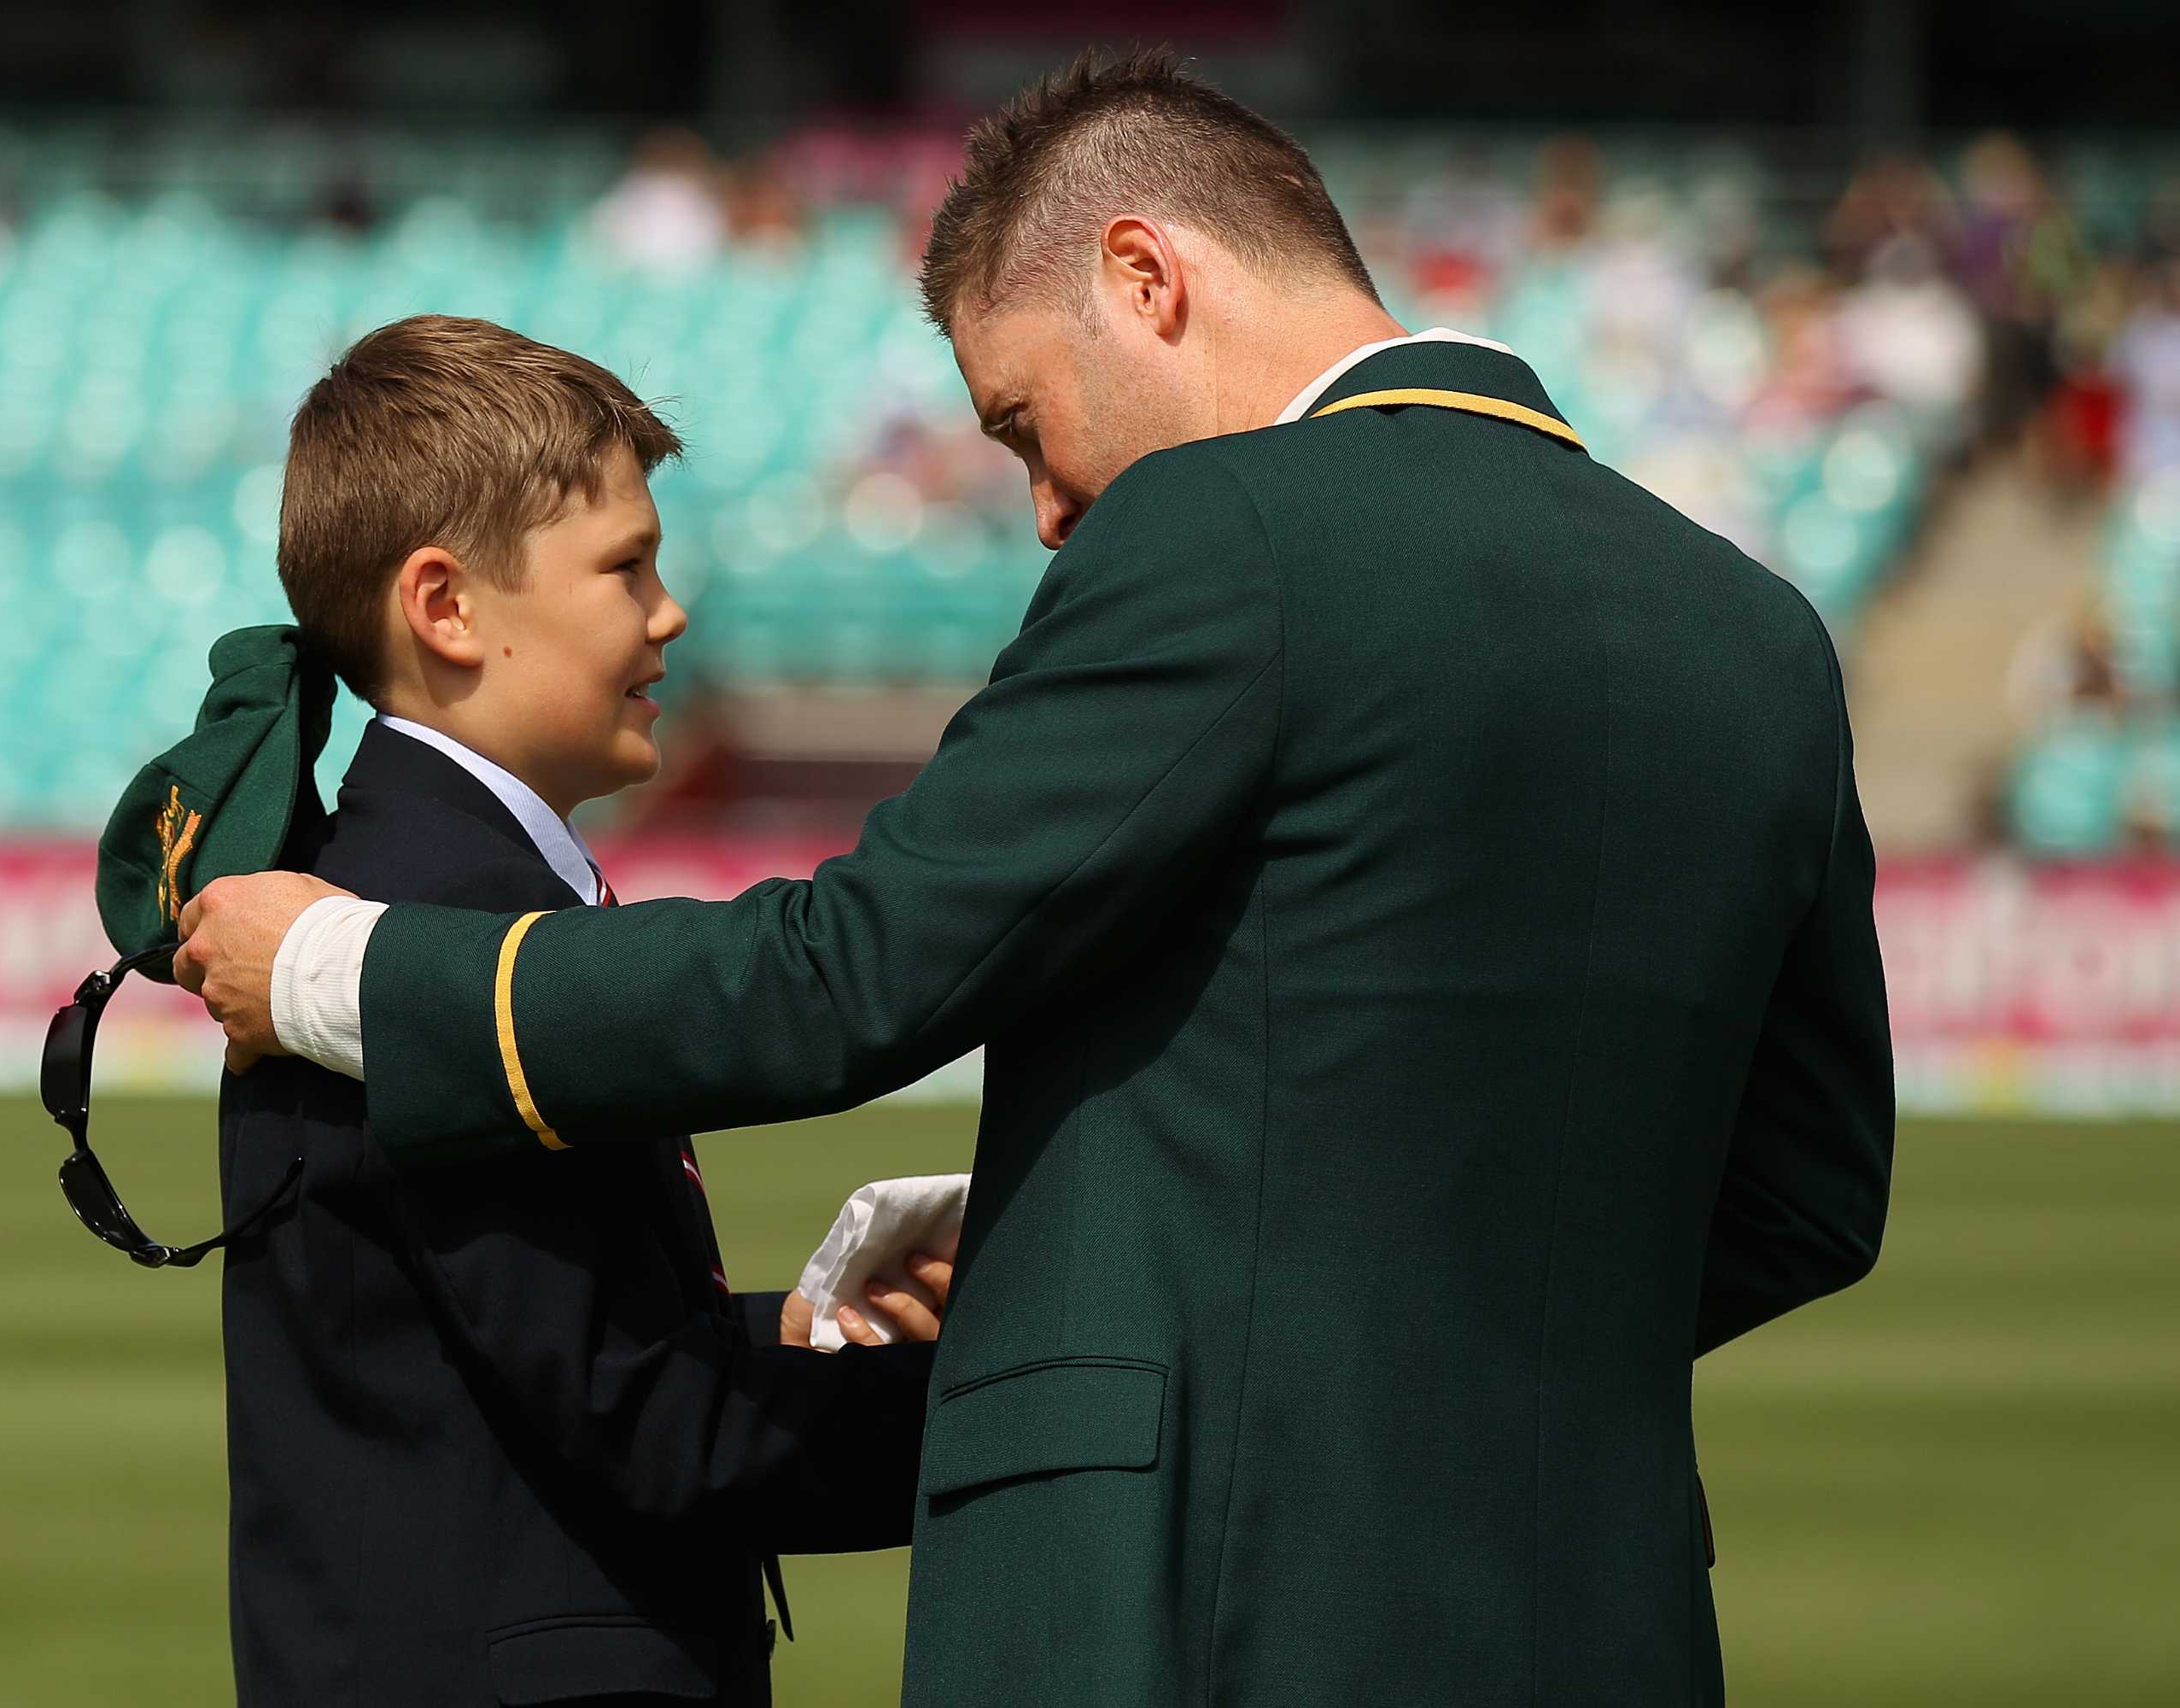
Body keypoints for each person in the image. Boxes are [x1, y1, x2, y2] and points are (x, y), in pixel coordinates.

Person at [169, 53, 1896, 1707]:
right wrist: (1100, 1234)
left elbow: (852, 968)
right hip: (1611, 1623)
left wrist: (354, 977)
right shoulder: (1757, 634)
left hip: (1213, 1622)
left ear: (1147, 278)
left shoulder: (1227, 530)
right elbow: (1808, 1193)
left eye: (1021, 422)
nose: (1051, 507)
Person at [167, 315, 950, 1707]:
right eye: (625, 566)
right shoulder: (443, 926)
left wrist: (821, 1333)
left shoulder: (398, 891)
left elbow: (567, 1349)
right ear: (448, 606)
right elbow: (647, 1418)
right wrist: (1001, 1404)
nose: (671, 609)